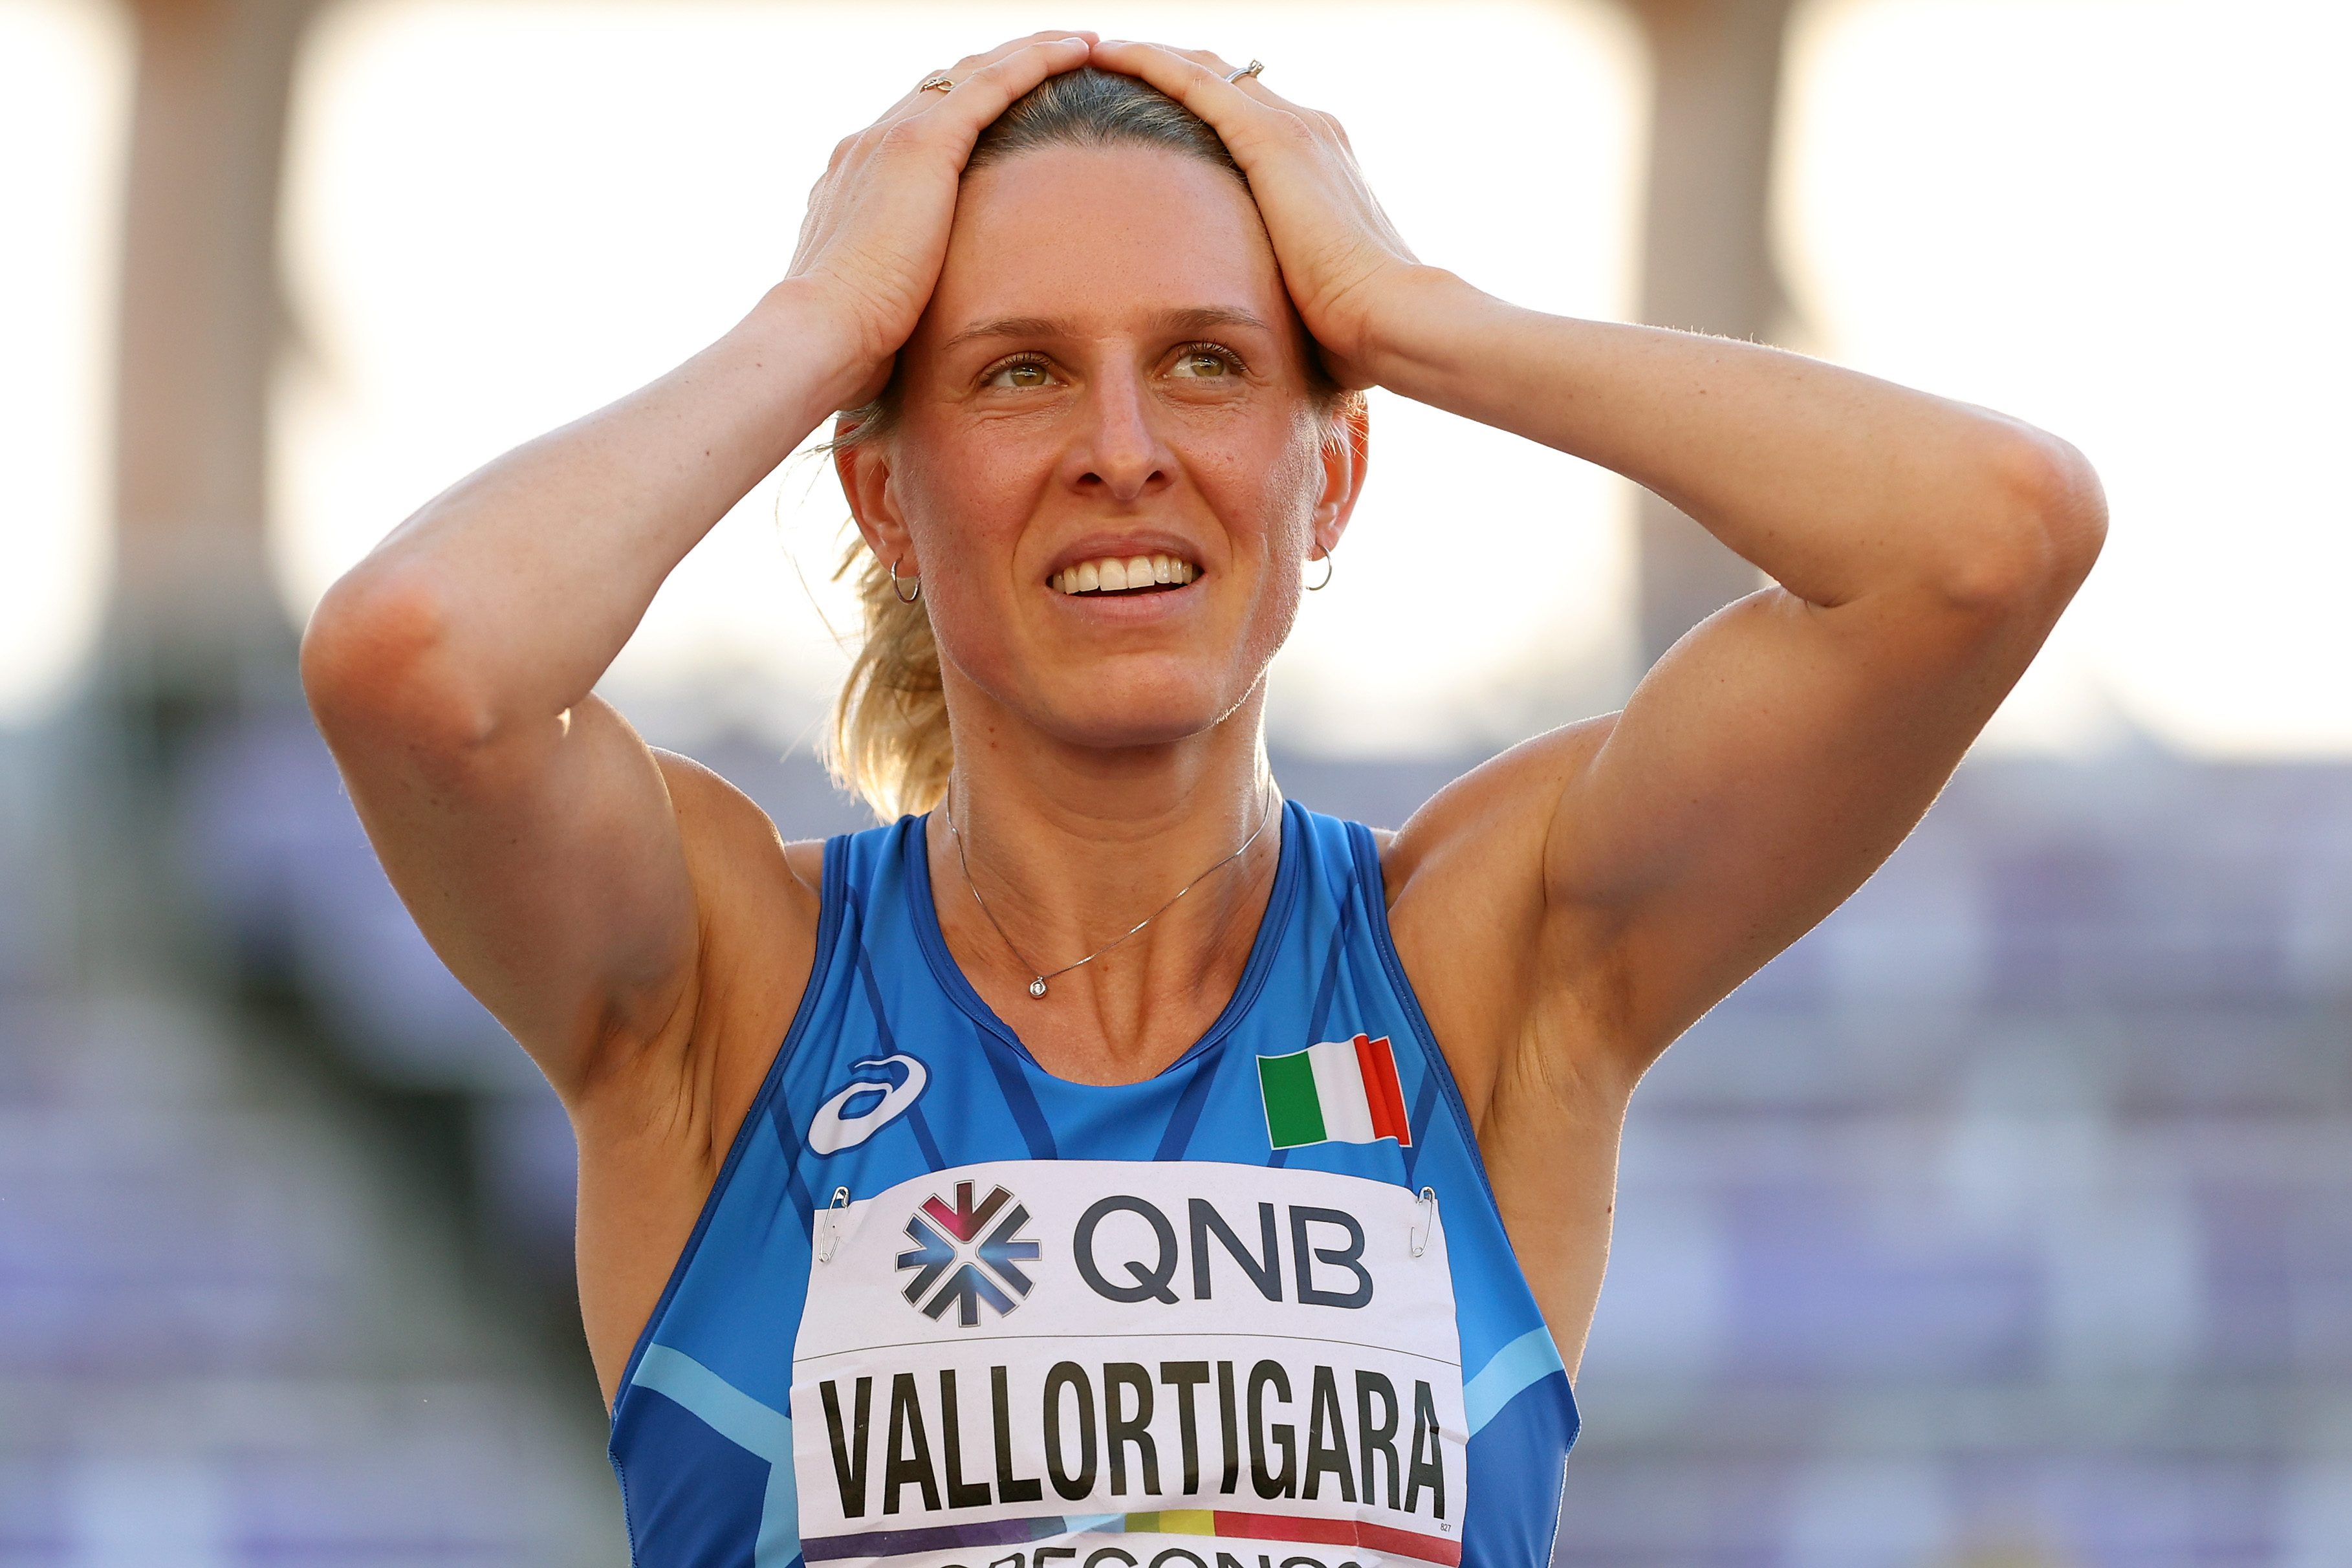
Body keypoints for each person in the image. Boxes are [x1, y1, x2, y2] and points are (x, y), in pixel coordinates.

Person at [299, 33, 2105, 1568]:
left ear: (1334, 477)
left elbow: (1985, 537)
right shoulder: (728, 979)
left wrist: (1416, 314)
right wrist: (821, 316)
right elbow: (415, 658)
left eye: (1208, 361)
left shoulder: (1483, 965)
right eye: (1015, 372)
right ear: (878, 496)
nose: (1120, 447)